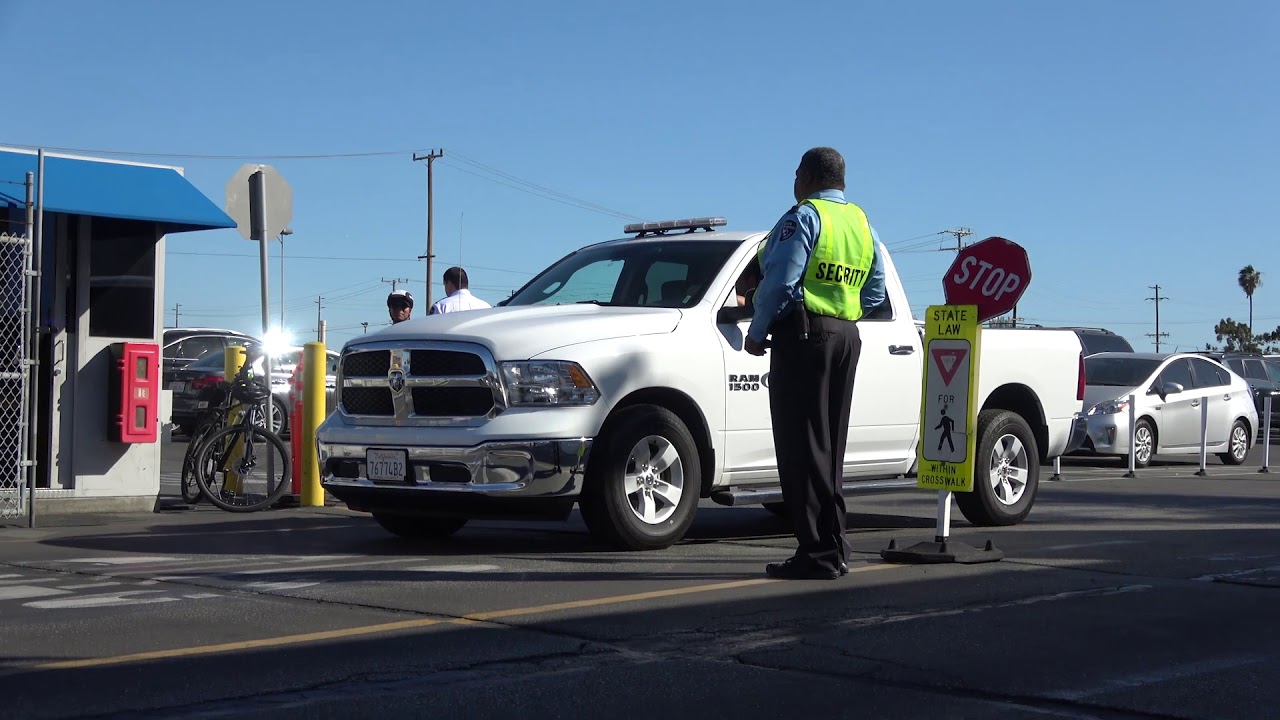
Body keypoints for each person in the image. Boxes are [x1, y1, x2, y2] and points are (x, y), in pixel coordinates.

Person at [745, 147, 887, 580]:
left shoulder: (803, 217)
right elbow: (876, 290)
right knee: (830, 447)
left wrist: (756, 330)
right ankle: (835, 544)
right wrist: (843, 314)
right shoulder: (861, 222)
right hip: (846, 335)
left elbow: (780, 281)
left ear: (805, 176)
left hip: (805, 335)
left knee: (802, 447)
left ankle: (817, 553)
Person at [428, 266, 492, 315]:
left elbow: (430, 329)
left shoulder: (441, 306)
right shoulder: (486, 307)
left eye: (445, 284)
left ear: (449, 283)